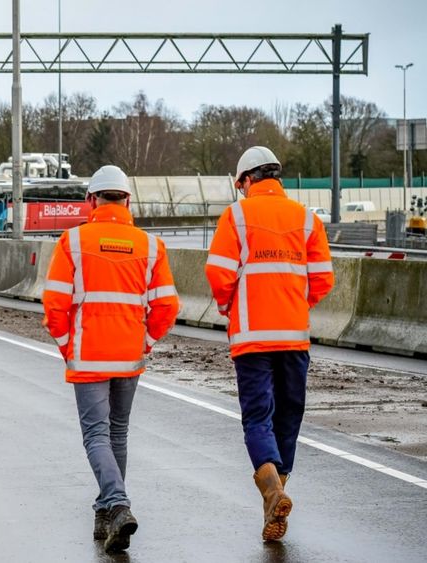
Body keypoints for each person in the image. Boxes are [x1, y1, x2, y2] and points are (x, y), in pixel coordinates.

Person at [43, 165, 180, 553]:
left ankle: (118, 504)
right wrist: (147, 340)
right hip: (129, 355)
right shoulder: (150, 245)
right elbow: (167, 305)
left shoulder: (72, 242)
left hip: (88, 356)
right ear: (127, 201)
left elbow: (54, 303)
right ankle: (105, 512)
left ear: (91, 200)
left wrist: (69, 345)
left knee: (96, 435)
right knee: (117, 433)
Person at [205, 146, 334, 541]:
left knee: (258, 417)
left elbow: (218, 274)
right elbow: (324, 279)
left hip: (251, 339)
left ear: (246, 180)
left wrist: (232, 307)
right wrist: (295, 303)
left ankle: (272, 492)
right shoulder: (306, 217)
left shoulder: (237, 215)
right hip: (294, 337)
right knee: (288, 418)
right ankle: (276, 496)